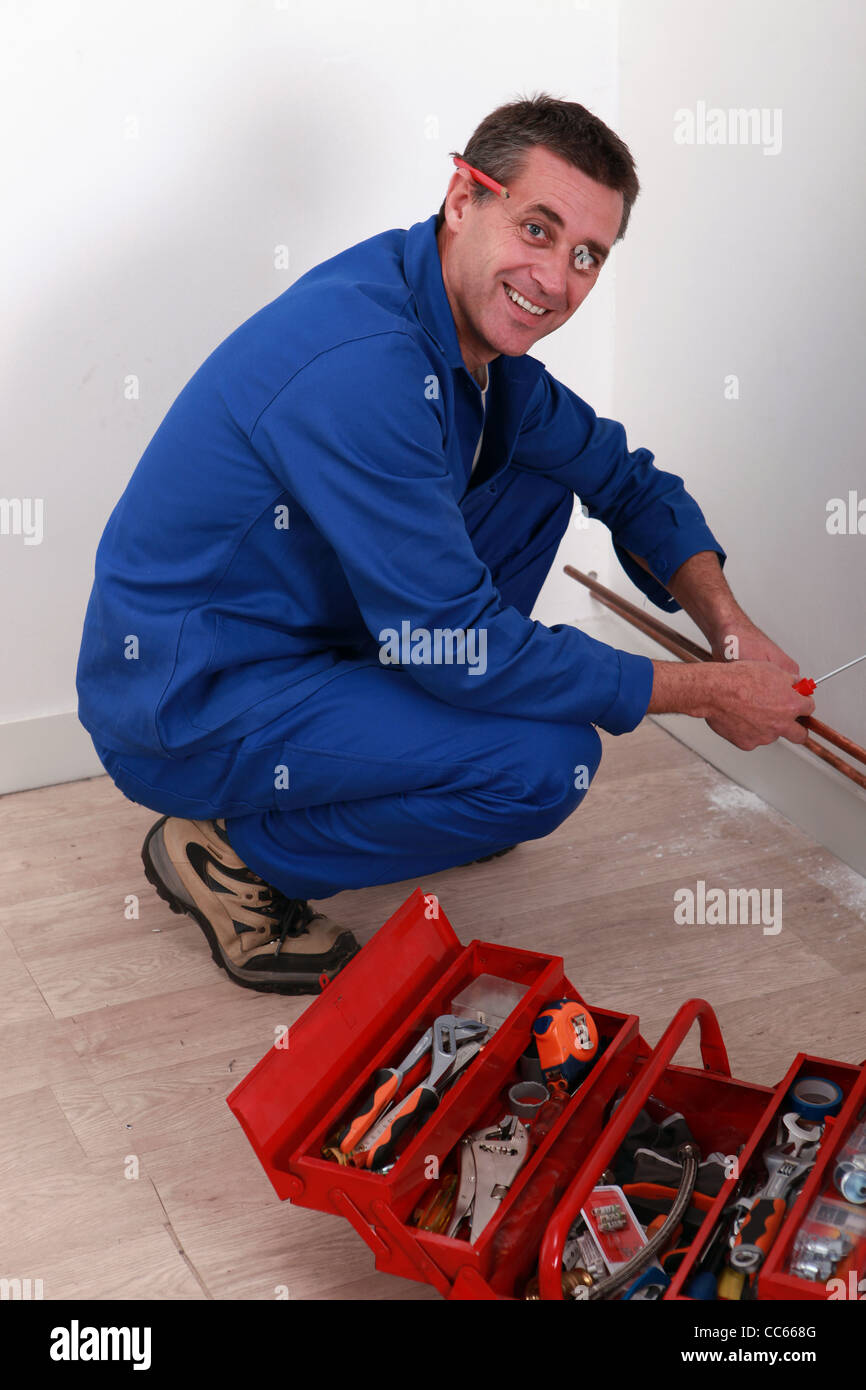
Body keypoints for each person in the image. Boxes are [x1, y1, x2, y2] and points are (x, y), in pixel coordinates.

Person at [75, 93, 814, 996]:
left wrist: (728, 629)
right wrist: (706, 692)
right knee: (548, 764)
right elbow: (459, 638)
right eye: (537, 229)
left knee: (545, 468)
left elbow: (628, 481)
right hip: (191, 692)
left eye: (588, 255)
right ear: (463, 197)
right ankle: (233, 855)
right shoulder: (364, 364)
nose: (556, 278)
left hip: (314, 636)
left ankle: (425, 757)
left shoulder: (468, 346)